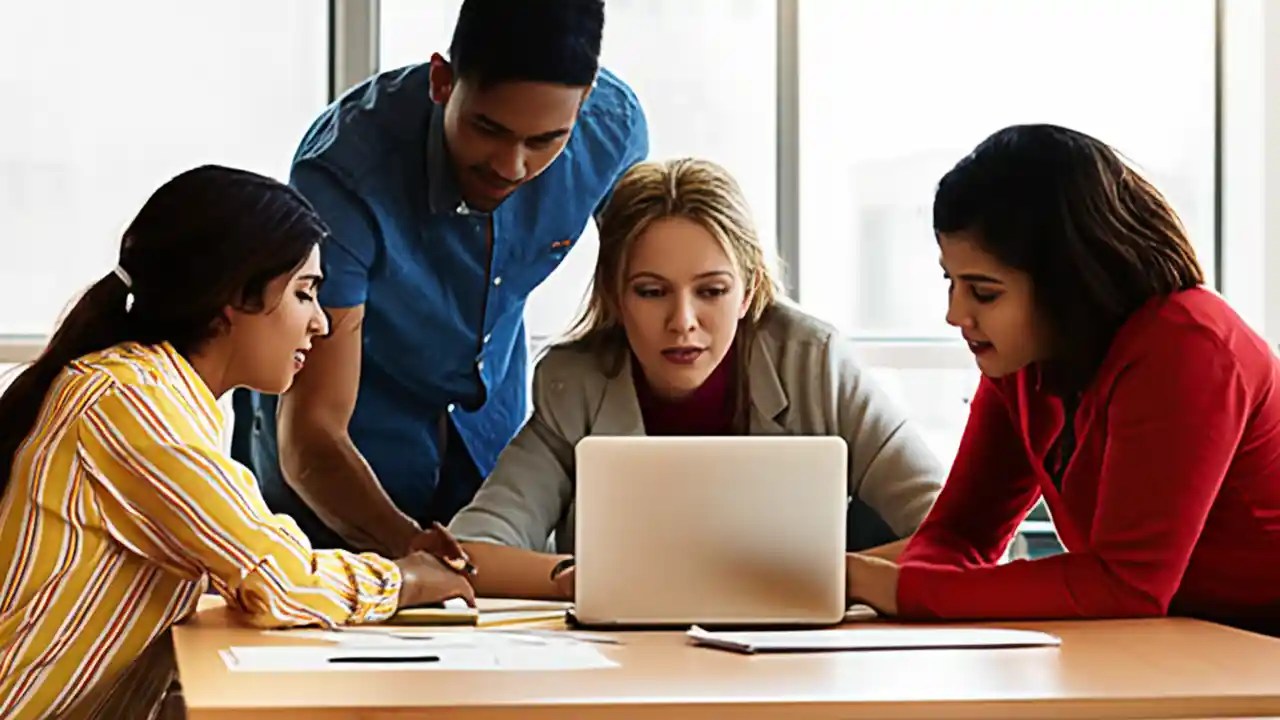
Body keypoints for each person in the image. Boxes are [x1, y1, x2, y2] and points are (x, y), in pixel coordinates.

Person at [0, 166, 476, 720]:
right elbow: (281, 579)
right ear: (235, 297)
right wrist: (412, 577)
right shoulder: (130, 402)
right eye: (305, 294)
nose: (320, 324)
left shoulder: (153, 393)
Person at [232, 0, 649, 558]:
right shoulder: (343, 173)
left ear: (587, 100)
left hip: (486, 447)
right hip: (344, 474)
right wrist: (417, 558)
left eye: (545, 140)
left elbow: (653, 287)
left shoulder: (613, 131)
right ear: (442, 81)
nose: (512, 166)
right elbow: (312, 433)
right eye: (488, 129)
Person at [845, 124, 1280, 636]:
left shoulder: (1189, 345)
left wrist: (887, 586)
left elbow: (1124, 584)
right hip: (1191, 642)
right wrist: (877, 582)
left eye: (983, 293)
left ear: (1067, 283)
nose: (955, 313)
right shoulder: (1025, 359)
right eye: (951, 281)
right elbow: (960, 534)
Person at [446, 158, 944, 600]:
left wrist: (824, 579)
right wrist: (581, 577)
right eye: (651, 291)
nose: (682, 320)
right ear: (617, 298)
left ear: (747, 293)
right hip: (626, 672)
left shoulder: (813, 362)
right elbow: (468, 553)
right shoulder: (574, 383)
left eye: (711, 291)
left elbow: (972, 538)